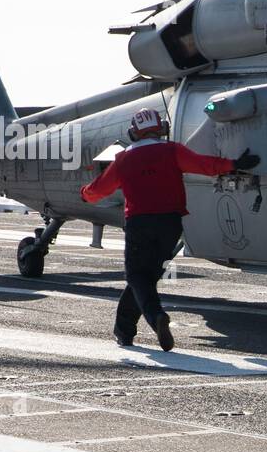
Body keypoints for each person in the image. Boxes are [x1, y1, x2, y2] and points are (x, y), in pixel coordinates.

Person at [80, 108, 254, 351]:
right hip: (170, 224)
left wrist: (85, 194)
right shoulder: (173, 150)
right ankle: (124, 331)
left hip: (140, 223)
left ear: (133, 132)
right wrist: (234, 164)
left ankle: (156, 317)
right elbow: (205, 165)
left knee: (137, 276)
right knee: (146, 278)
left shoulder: (124, 158)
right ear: (162, 128)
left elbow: (99, 190)